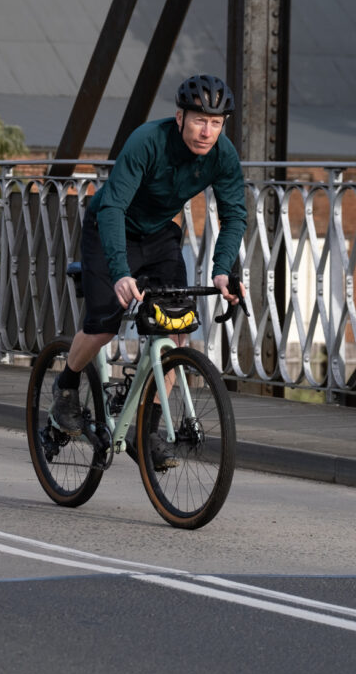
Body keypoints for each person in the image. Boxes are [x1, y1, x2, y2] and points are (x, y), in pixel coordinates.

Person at [50, 74, 248, 466]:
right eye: (198, 121)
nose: (206, 131)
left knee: (176, 332)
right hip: (110, 226)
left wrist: (223, 270)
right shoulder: (147, 141)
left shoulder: (223, 155)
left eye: (215, 123)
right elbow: (113, 207)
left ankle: (147, 429)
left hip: (159, 236)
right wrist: (121, 272)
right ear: (179, 118)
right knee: (104, 324)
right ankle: (67, 384)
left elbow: (234, 215)